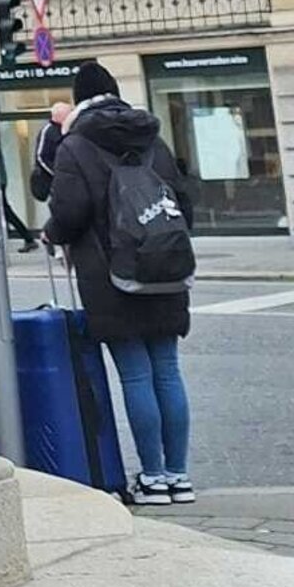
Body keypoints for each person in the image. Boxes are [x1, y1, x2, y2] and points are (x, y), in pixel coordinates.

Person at [41, 61, 195, 507]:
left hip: (112, 274)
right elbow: (182, 201)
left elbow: (70, 213)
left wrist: (51, 234)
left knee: (135, 373)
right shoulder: (153, 137)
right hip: (165, 268)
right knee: (167, 370)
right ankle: (179, 476)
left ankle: (152, 476)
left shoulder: (76, 146)